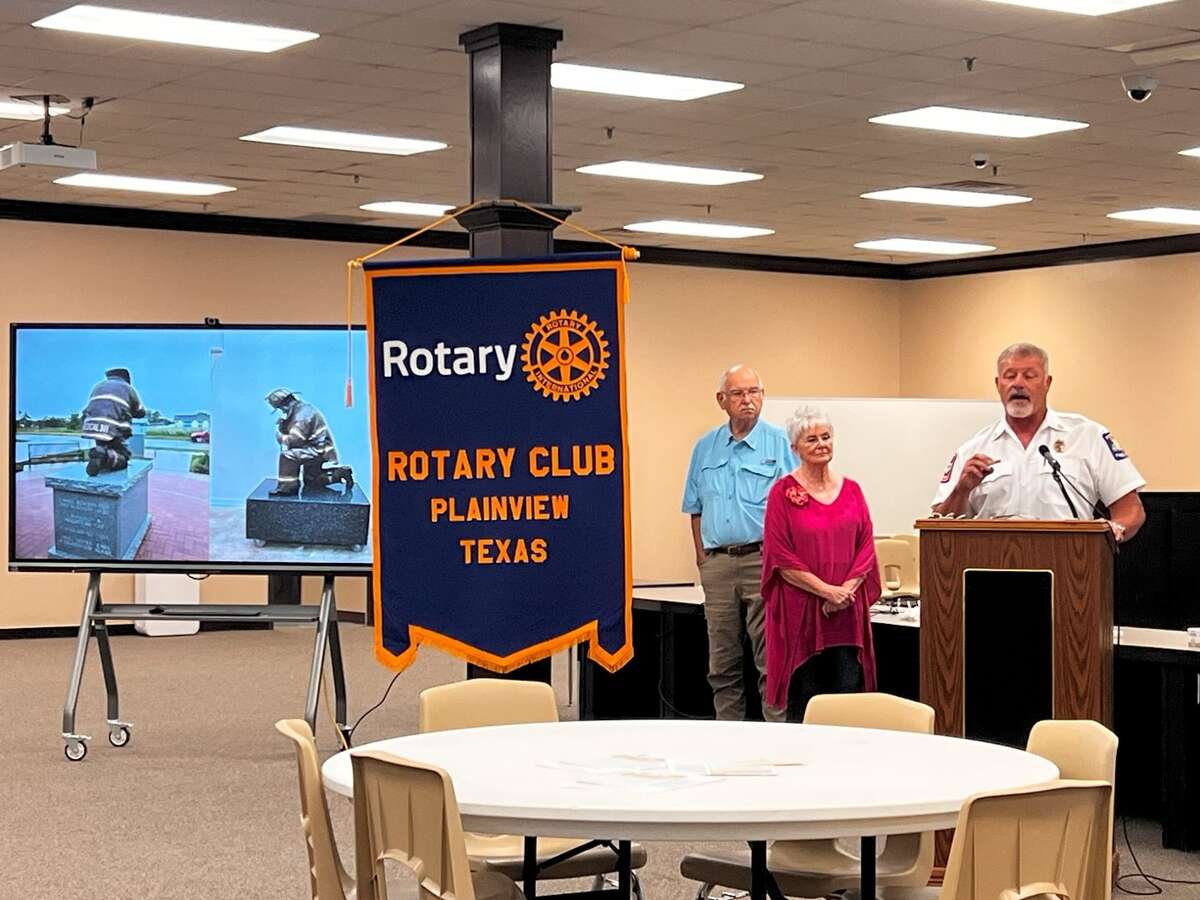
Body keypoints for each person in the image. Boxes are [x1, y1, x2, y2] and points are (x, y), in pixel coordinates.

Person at [932, 343, 1145, 543]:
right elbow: (939, 526)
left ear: (1047, 383)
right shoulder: (974, 448)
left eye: (1029, 376)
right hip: (992, 567)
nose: (1018, 384)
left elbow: (1130, 509)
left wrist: (1113, 530)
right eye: (1010, 376)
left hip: (1073, 566)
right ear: (998, 385)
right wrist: (962, 490)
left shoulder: (1087, 436)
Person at [682, 365, 796, 722]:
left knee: (771, 661)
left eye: (754, 392)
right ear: (722, 400)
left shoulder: (779, 443)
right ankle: (727, 739)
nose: (748, 400)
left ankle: (777, 740)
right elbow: (695, 508)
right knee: (723, 663)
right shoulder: (705, 448)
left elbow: (797, 506)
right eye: (738, 393)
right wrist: (703, 561)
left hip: (764, 561)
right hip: (718, 566)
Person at [761, 407, 880, 722]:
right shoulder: (781, 494)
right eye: (811, 439)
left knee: (847, 693)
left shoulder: (853, 490)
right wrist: (826, 592)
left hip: (847, 613)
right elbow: (779, 556)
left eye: (826, 437)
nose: (821, 444)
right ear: (794, 448)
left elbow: (866, 546)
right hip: (802, 614)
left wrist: (844, 592)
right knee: (806, 697)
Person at [265, 389, 353, 496]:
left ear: (284, 405)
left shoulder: (301, 414)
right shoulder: (301, 409)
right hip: (317, 448)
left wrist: (279, 435)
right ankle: (340, 473)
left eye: (280, 408)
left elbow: (295, 440)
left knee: (287, 456)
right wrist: (285, 425)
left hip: (316, 450)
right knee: (312, 480)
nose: (282, 411)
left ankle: (287, 487)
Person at [81, 366, 146, 476]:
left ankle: (101, 456)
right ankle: (106, 456)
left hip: (91, 427)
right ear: (126, 379)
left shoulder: (98, 386)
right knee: (123, 456)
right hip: (114, 428)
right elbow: (140, 412)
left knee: (101, 447)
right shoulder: (128, 388)